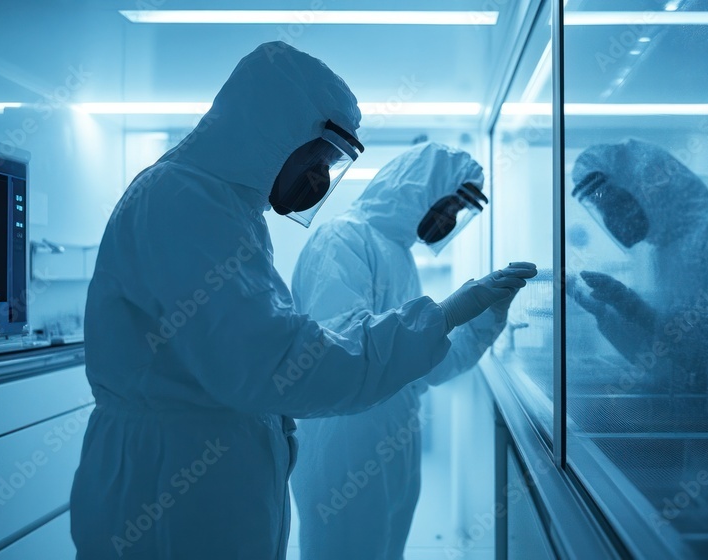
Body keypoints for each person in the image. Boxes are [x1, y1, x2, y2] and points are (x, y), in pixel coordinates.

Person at [69, 42, 536, 559]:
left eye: (330, 164)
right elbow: (278, 363)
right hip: (171, 484)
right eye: (317, 158)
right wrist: (443, 315)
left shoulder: (229, 209)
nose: (318, 179)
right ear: (269, 131)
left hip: (214, 468)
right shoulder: (183, 199)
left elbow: (272, 360)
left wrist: (480, 317)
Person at [289, 143, 515, 559]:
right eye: (447, 205)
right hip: (346, 444)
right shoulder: (343, 238)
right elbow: (342, 350)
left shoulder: (398, 255)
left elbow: (427, 368)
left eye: (456, 213)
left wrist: (487, 316)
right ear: (417, 187)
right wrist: (445, 315)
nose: (447, 220)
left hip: (391, 437)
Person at [566, 139, 708, 381]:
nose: (611, 216)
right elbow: (659, 360)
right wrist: (606, 312)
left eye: (614, 202)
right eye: (602, 207)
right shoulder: (660, 249)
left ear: (648, 186)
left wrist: (638, 310)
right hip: (694, 406)